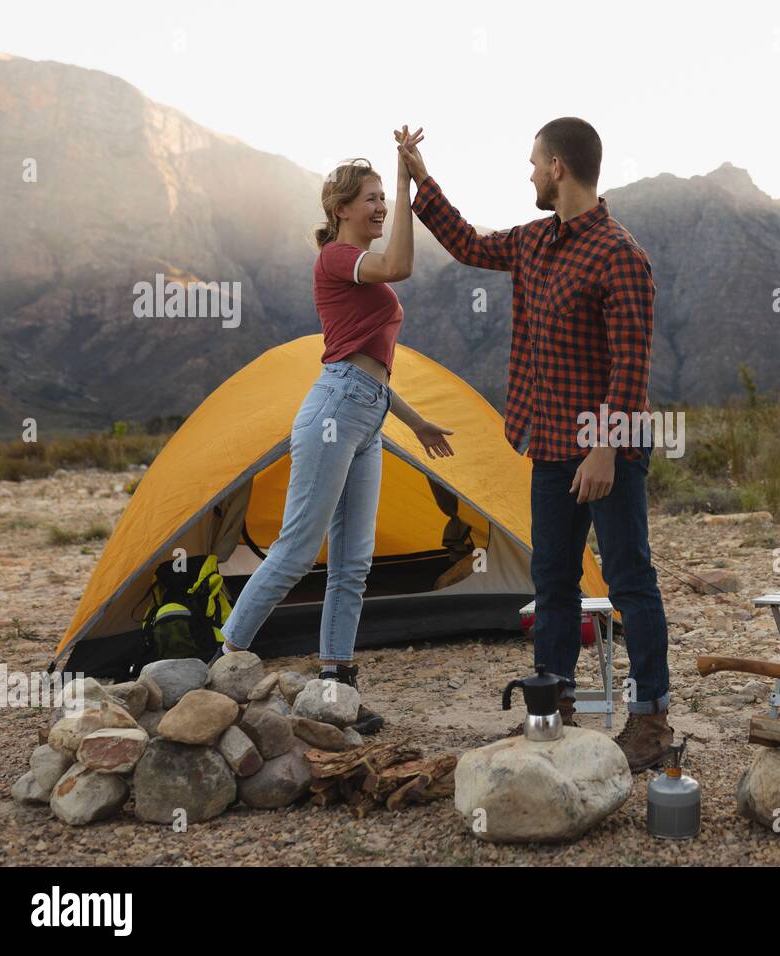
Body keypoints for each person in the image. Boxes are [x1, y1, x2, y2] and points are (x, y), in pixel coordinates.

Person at [399, 118, 674, 770]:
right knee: (553, 580)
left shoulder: (620, 254)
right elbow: (466, 244)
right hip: (550, 442)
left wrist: (605, 448)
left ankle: (652, 723)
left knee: (631, 580)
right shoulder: (532, 243)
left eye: (533, 163)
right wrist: (419, 179)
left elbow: (630, 365)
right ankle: (553, 712)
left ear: (559, 168)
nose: (528, 173)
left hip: (607, 445)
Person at [215, 128, 455, 735]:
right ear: (340, 210)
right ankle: (223, 660)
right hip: (334, 412)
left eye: (383, 198)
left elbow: (368, 368)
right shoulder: (337, 259)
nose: (379, 207)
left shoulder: (356, 264)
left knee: (354, 564)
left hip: (366, 409)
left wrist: (415, 420)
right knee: (297, 549)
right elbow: (399, 265)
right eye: (370, 199)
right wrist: (406, 180)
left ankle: (338, 687)